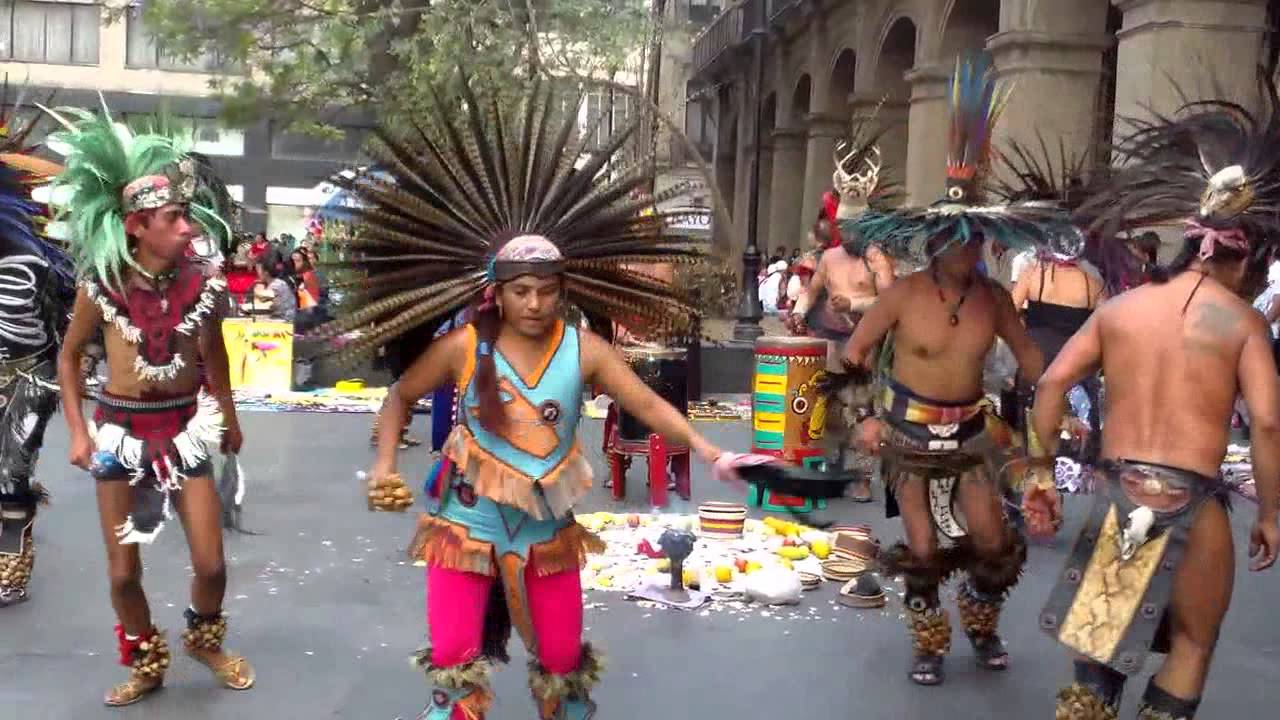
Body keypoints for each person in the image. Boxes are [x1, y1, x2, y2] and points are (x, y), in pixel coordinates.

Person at [311, 78, 727, 720]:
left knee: (563, 668)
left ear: (564, 290)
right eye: (522, 291)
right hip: (465, 528)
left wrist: (706, 448)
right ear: (497, 293)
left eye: (547, 290)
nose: (535, 304)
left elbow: (644, 404)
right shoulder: (462, 345)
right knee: (453, 670)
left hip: (547, 534)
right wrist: (385, 465)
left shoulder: (584, 348)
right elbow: (398, 397)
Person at [1026, 74, 1280, 720]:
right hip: (1193, 504)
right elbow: (1269, 427)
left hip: (1121, 494)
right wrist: (1273, 515)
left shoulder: (1125, 308)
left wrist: (1039, 472)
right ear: (1247, 259)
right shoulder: (1243, 322)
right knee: (1193, 641)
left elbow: (1052, 382)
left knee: (1100, 651)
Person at [842, 53, 1060, 686]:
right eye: (956, 237)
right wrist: (864, 420)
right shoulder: (902, 295)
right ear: (936, 240)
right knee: (925, 549)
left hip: (971, 436)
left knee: (993, 545)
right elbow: (853, 355)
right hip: (907, 437)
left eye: (974, 237)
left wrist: (1057, 391)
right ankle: (930, 643)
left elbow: (1031, 360)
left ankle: (983, 628)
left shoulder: (994, 299)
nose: (966, 247)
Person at [44, 106, 252, 706]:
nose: (187, 227)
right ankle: (146, 659)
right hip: (119, 434)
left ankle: (203, 639)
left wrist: (230, 419)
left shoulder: (203, 283)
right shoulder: (100, 285)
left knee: (212, 565)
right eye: (174, 217)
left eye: (185, 215)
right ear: (137, 226)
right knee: (122, 574)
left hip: (184, 430)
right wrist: (78, 433)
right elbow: (69, 358)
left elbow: (213, 355)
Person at [788, 121, 897, 503]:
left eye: (855, 228)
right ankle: (833, 467)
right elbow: (811, 291)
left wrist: (854, 304)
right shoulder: (829, 257)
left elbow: (889, 301)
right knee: (830, 408)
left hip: (863, 344)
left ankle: (863, 476)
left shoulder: (877, 258)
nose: (849, 235)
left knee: (864, 409)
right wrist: (800, 312)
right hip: (829, 342)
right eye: (844, 228)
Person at [0, 114, 74, 608]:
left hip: (27, 375)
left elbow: (54, 326)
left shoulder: (32, 259)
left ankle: (10, 566)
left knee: (10, 474)